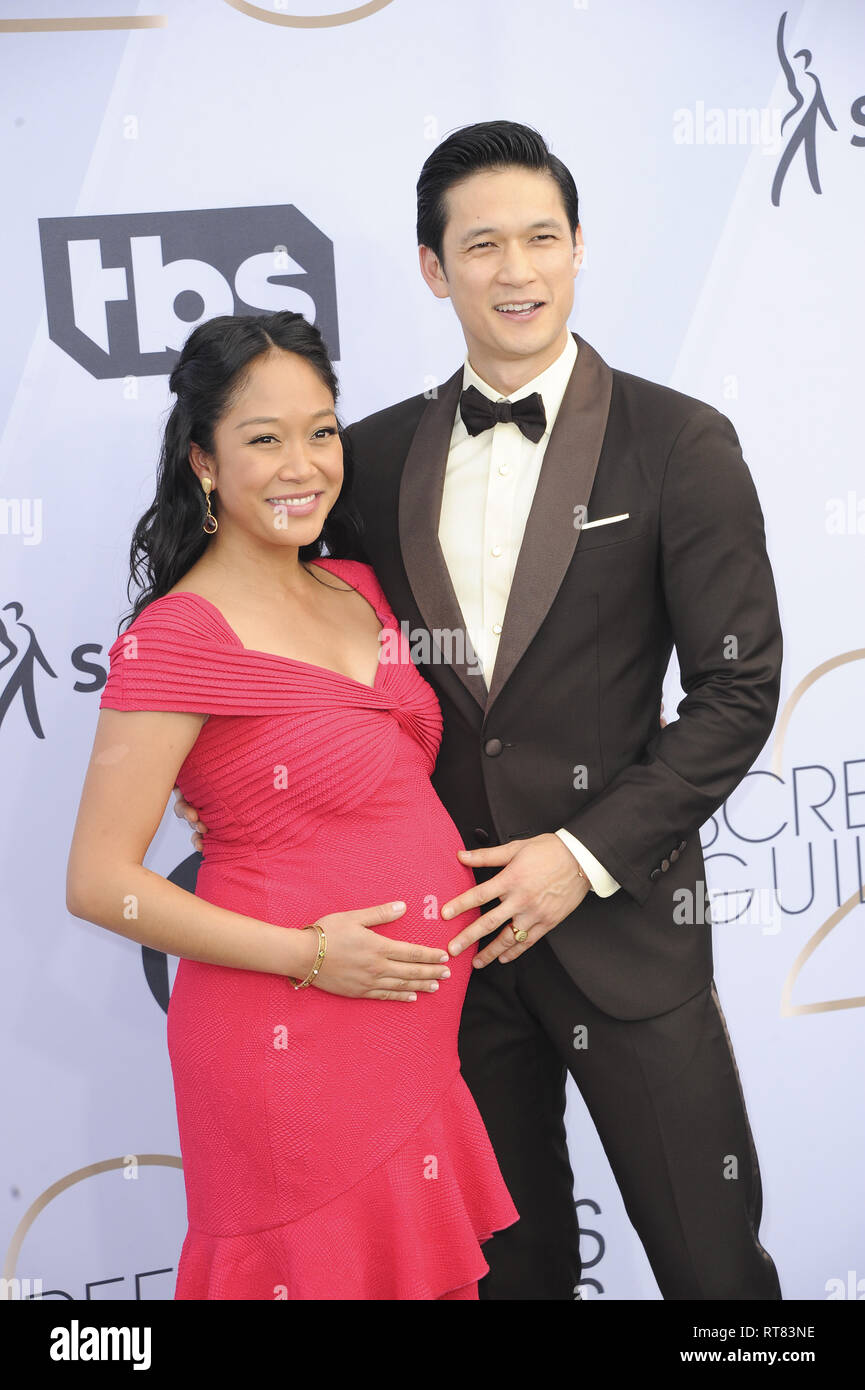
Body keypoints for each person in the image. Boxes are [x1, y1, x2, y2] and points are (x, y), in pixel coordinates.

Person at [175, 120, 784, 1300]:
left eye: (542, 239)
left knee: (715, 1278)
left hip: (625, 931)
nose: (518, 269)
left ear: (578, 248)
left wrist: (580, 854)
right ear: (432, 266)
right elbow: (284, 633)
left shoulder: (680, 442)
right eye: (484, 243)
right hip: (435, 957)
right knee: (503, 1279)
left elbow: (737, 687)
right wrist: (231, 788)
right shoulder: (367, 457)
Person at [66, 310, 519, 1301]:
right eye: (262, 438)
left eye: (320, 430)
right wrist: (312, 955)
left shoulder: (358, 586)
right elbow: (100, 883)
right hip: (287, 1032)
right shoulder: (177, 635)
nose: (301, 463)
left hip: (409, 1039)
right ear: (204, 463)